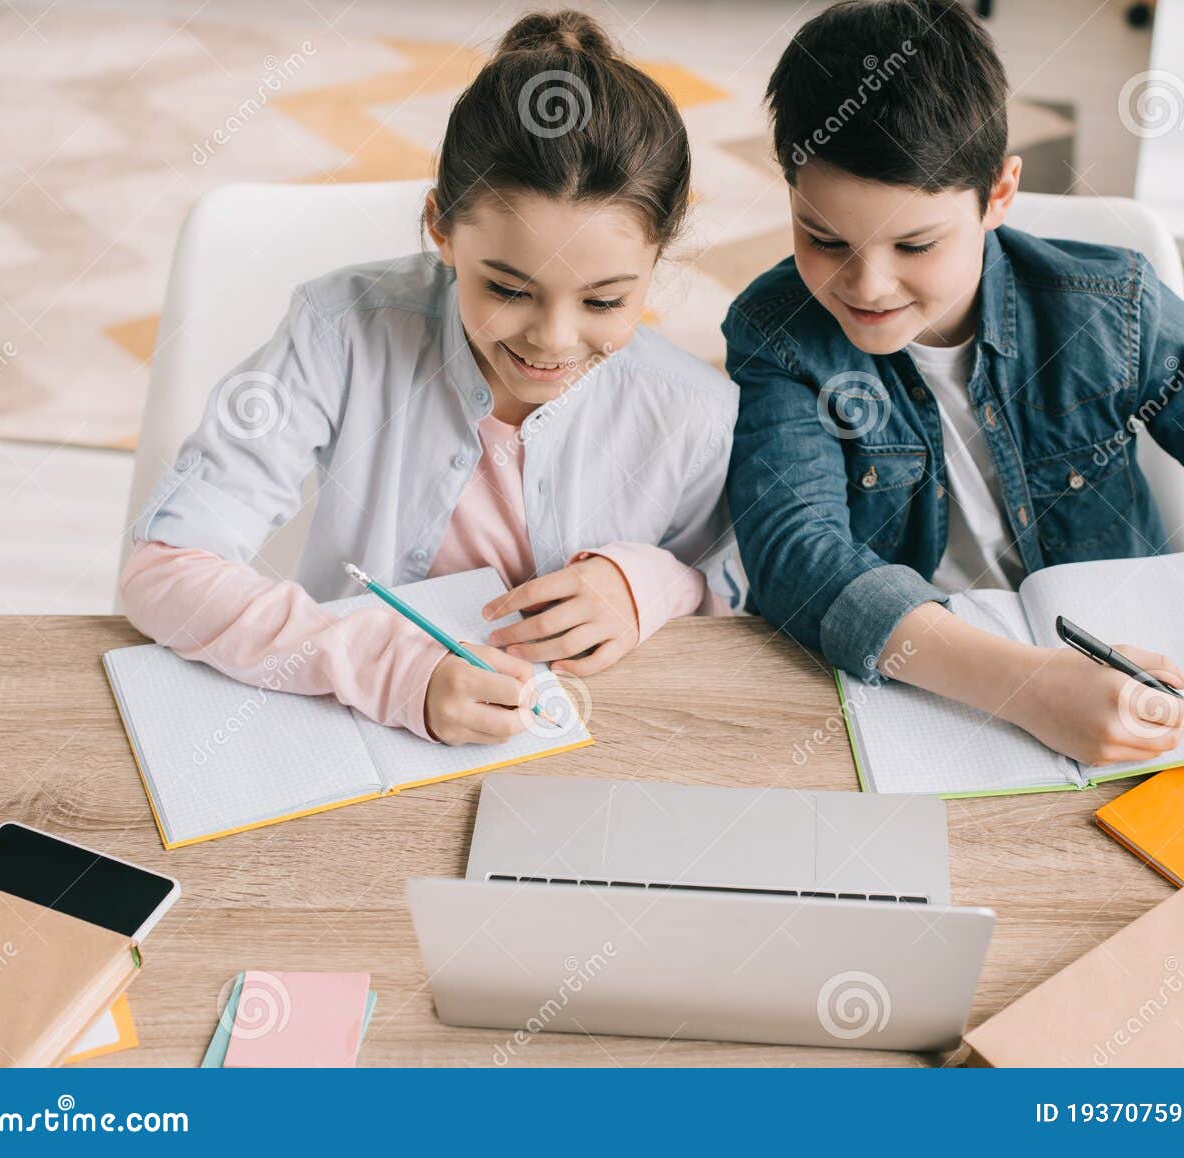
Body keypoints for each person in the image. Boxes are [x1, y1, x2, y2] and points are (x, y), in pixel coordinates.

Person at [724, 0, 1184, 776]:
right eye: (824, 239)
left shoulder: (1111, 309)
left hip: (1142, 700)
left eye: (915, 244)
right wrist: (1033, 689)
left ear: (1000, 195)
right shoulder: (778, 331)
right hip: (925, 702)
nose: (866, 284)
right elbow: (794, 557)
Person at [122, 10, 742, 747]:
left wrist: (653, 584)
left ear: (659, 256)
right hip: (346, 735)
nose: (552, 338)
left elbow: (749, 586)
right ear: (442, 227)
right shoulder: (341, 331)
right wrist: (391, 670)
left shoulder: (696, 412)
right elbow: (165, 571)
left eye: (605, 300)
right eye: (509, 289)